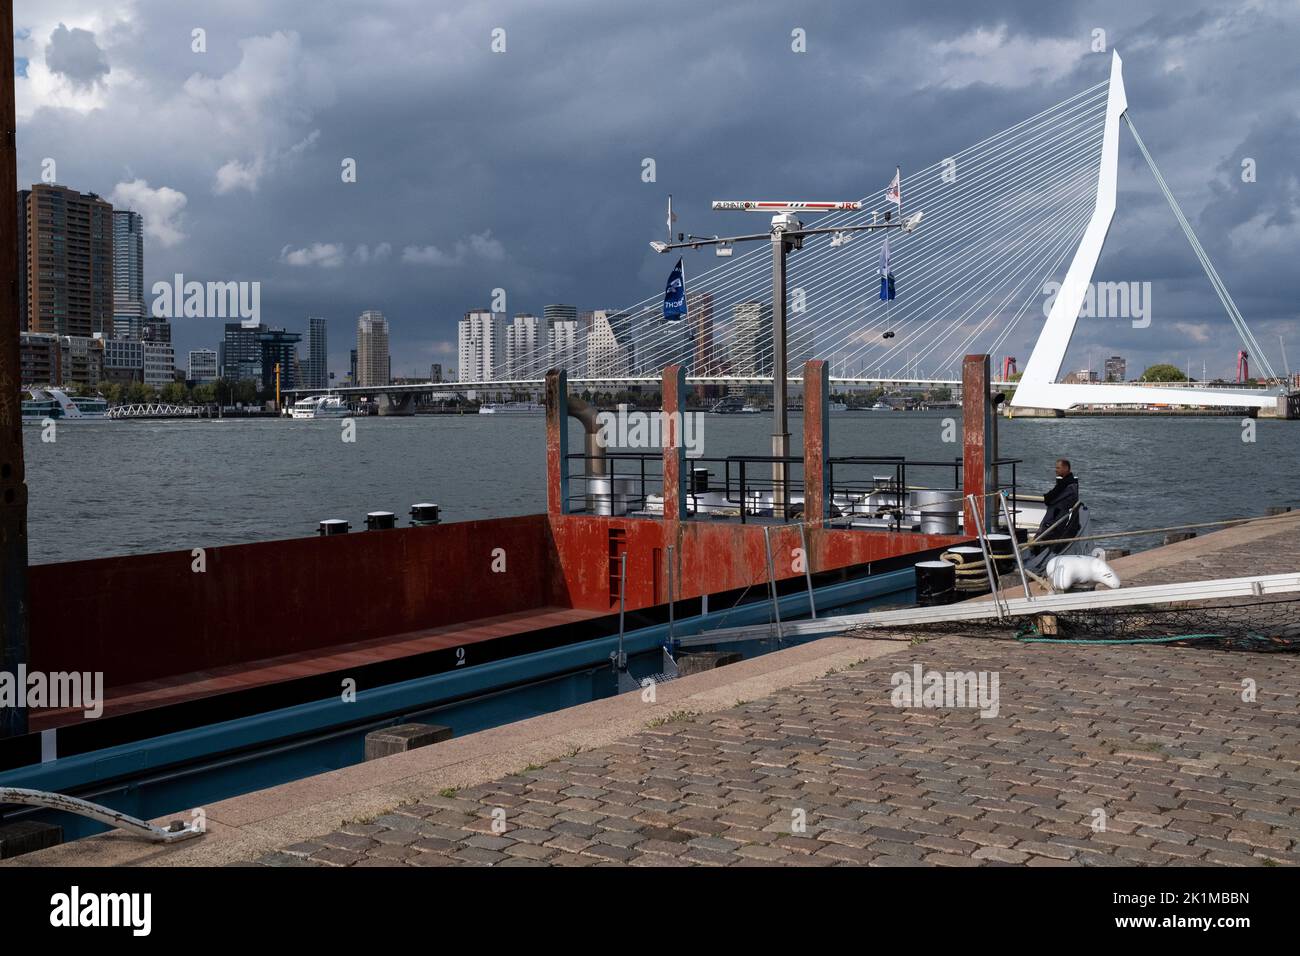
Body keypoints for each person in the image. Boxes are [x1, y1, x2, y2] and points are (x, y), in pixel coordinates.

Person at [1036, 459, 1080, 553]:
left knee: (1045, 534)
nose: (1056, 470)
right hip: (1058, 515)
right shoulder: (1069, 483)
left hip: (1056, 516)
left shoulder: (1066, 485)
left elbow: (1049, 498)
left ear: (1066, 468)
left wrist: (1047, 497)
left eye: (1058, 468)